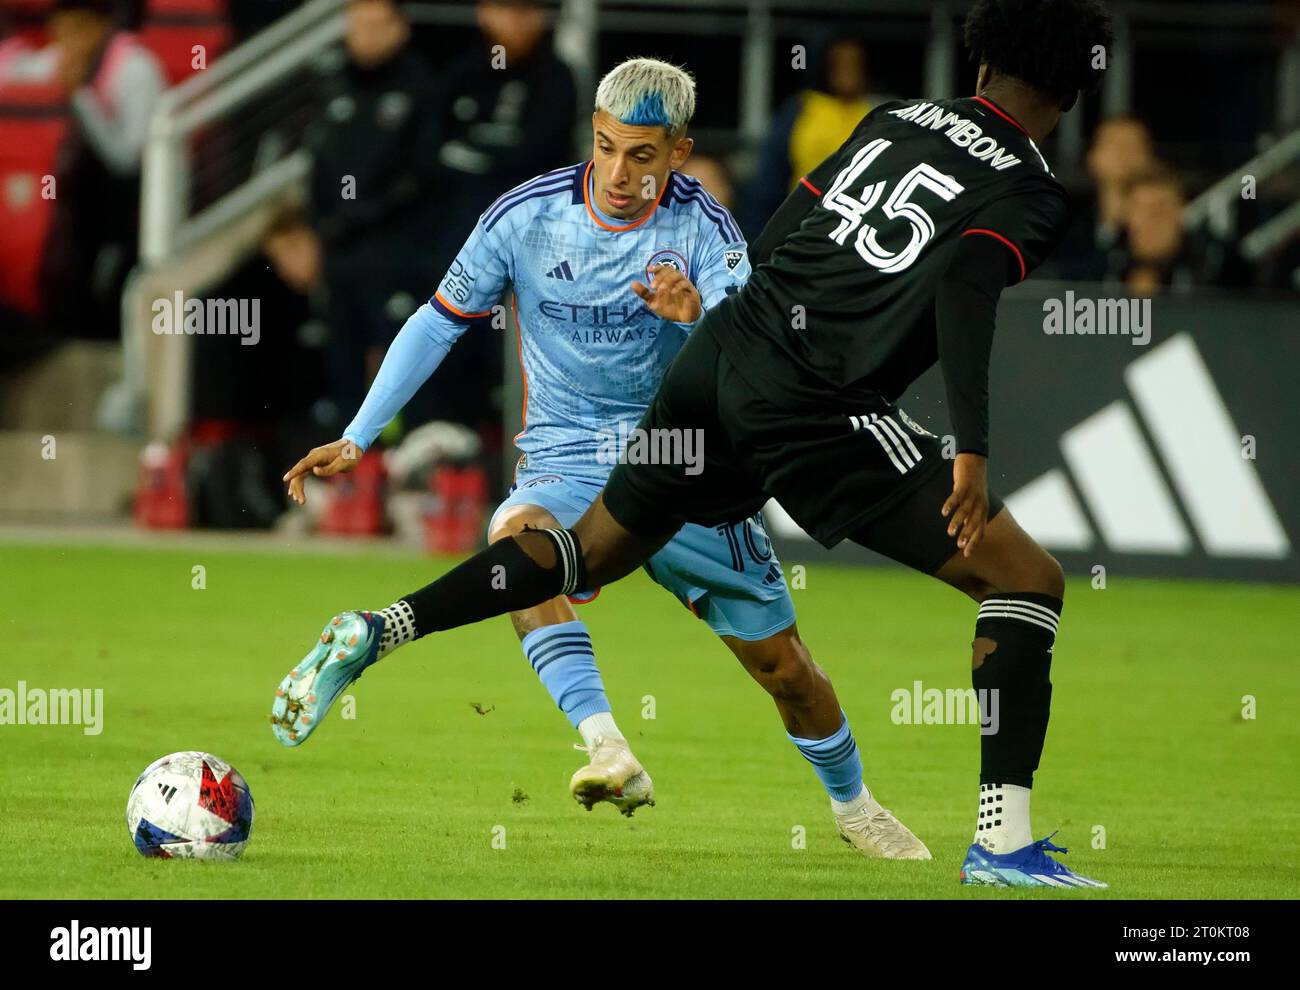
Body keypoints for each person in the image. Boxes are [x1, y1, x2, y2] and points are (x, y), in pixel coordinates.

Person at [278, 0, 1117, 887]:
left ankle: (388, 626)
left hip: (711, 378)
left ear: (979, 65)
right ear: (1069, 92)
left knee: (670, 602)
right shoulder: (1029, 187)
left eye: (641, 152)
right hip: (773, 407)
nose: (617, 169)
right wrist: (973, 449)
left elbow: (789, 237)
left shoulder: (886, 124)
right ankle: (998, 842)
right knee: (1026, 578)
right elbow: (967, 291)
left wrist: (718, 324)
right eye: (605, 146)